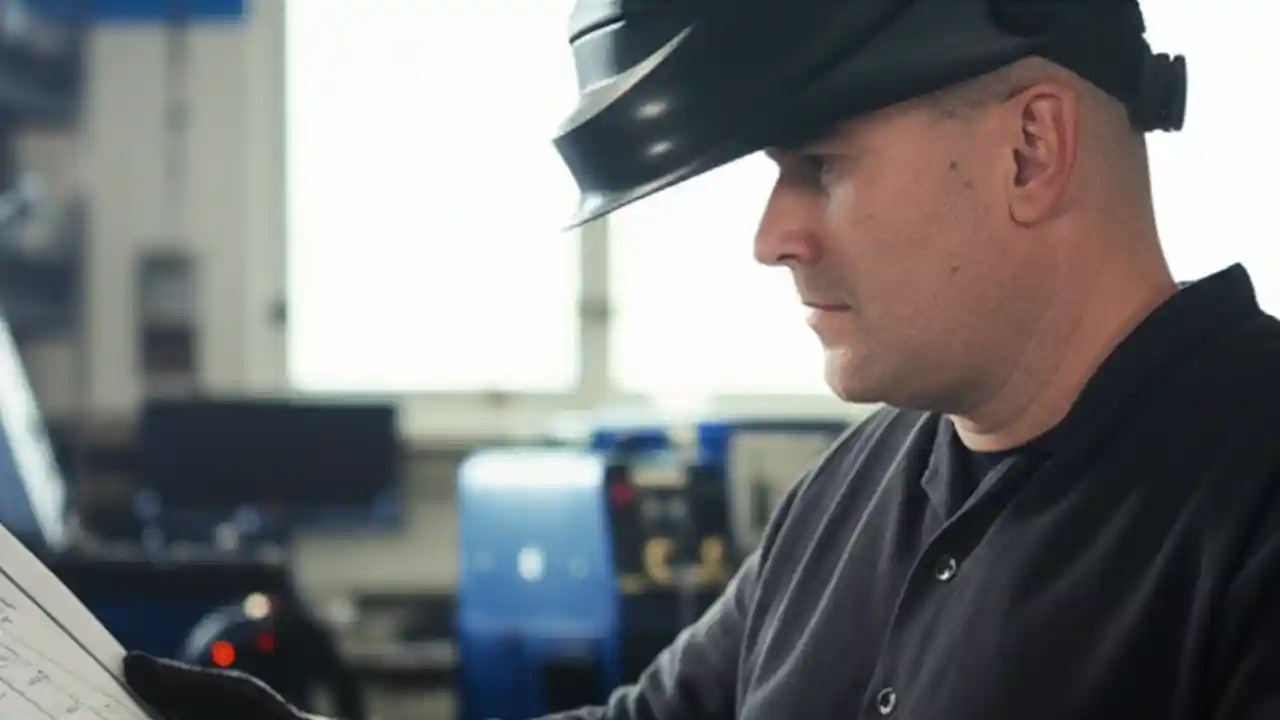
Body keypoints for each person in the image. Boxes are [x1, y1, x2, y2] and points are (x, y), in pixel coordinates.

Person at [124, 1, 1280, 718]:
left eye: (819, 166)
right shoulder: (854, 491)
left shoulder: (1248, 501)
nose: (772, 236)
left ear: (1030, 150)